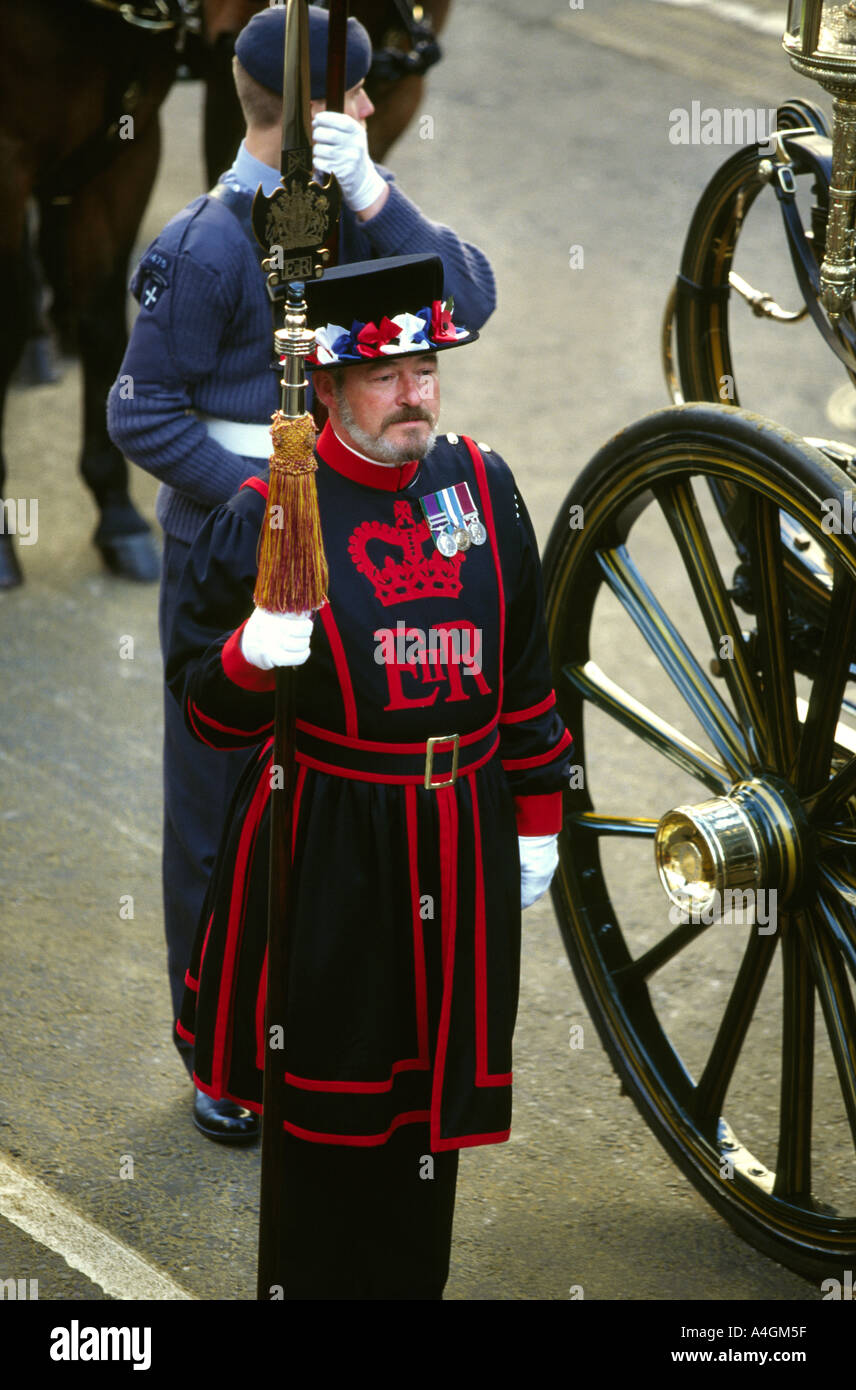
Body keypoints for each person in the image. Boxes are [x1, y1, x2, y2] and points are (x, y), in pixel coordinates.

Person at [106, 5, 496, 1142]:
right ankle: (214, 1050)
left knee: (323, 799)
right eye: (359, 98)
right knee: (220, 801)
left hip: (353, 562)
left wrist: (375, 195)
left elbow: (464, 302)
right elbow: (139, 411)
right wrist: (260, 500)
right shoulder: (202, 244)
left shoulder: (361, 229)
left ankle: (316, 1027)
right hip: (235, 555)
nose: (374, 112)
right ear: (318, 110)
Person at [166, 253, 573, 1299]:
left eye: (427, 365)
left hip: (462, 837)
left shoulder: (483, 482)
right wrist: (256, 651)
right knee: (327, 1118)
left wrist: (536, 813)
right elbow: (206, 711)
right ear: (331, 386)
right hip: (332, 845)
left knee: (427, 1121)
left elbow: (530, 667)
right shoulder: (270, 507)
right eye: (389, 374)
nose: (416, 393)